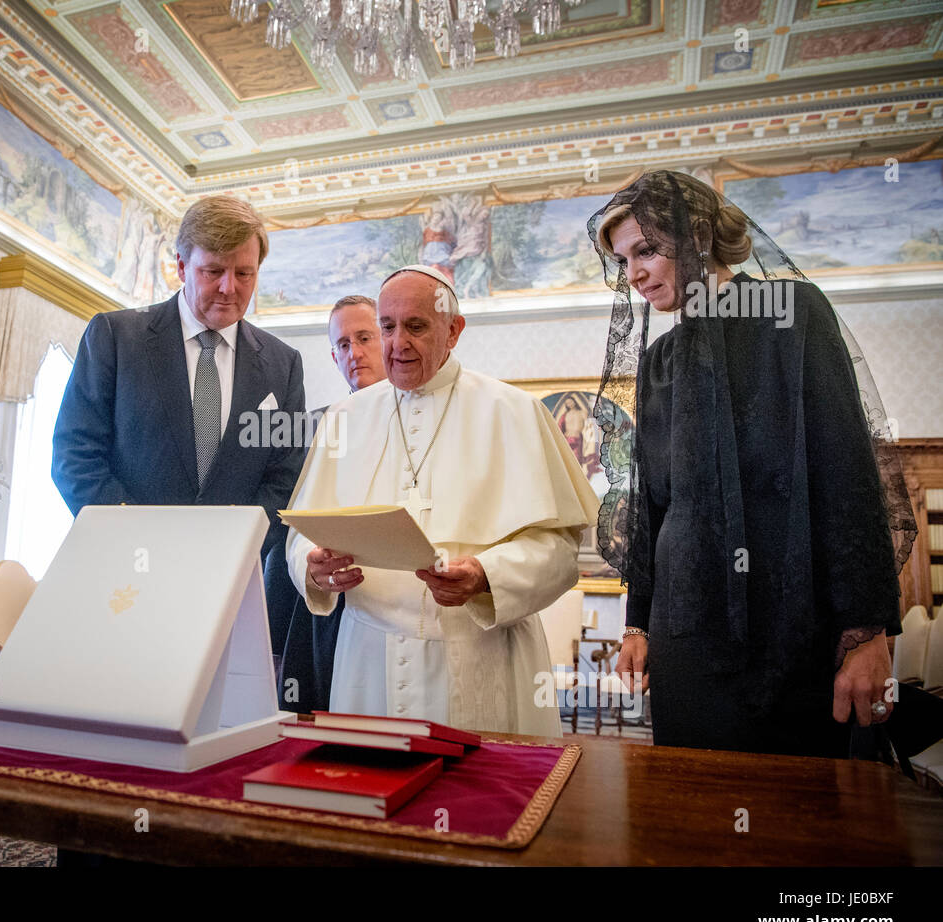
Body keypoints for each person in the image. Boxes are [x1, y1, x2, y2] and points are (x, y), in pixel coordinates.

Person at [588, 169, 915, 757]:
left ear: (701, 235)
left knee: (804, 816)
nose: (633, 274)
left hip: (792, 625)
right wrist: (637, 621)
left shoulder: (790, 313)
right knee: (694, 806)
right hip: (683, 629)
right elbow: (651, 506)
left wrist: (867, 633)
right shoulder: (659, 359)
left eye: (646, 250)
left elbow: (845, 471)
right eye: (622, 260)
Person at [285, 265, 599, 735]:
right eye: (387, 327)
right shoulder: (344, 419)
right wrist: (312, 567)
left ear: (454, 331)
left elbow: (559, 552)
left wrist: (487, 576)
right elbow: (301, 532)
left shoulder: (512, 411)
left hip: (482, 654)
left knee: (484, 802)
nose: (396, 344)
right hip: (367, 659)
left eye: (416, 326)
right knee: (370, 794)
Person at [52, 196, 306, 562]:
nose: (229, 287)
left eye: (244, 273)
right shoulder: (116, 337)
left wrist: (232, 548)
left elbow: (287, 477)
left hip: (229, 575)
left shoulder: (284, 365)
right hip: (124, 565)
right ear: (182, 266)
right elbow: (74, 456)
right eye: (214, 271)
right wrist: (144, 543)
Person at [268, 295, 384, 713]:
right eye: (343, 344)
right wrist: (273, 632)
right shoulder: (309, 428)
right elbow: (282, 526)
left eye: (365, 337)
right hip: (317, 605)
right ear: (333, 356)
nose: (355, 352)